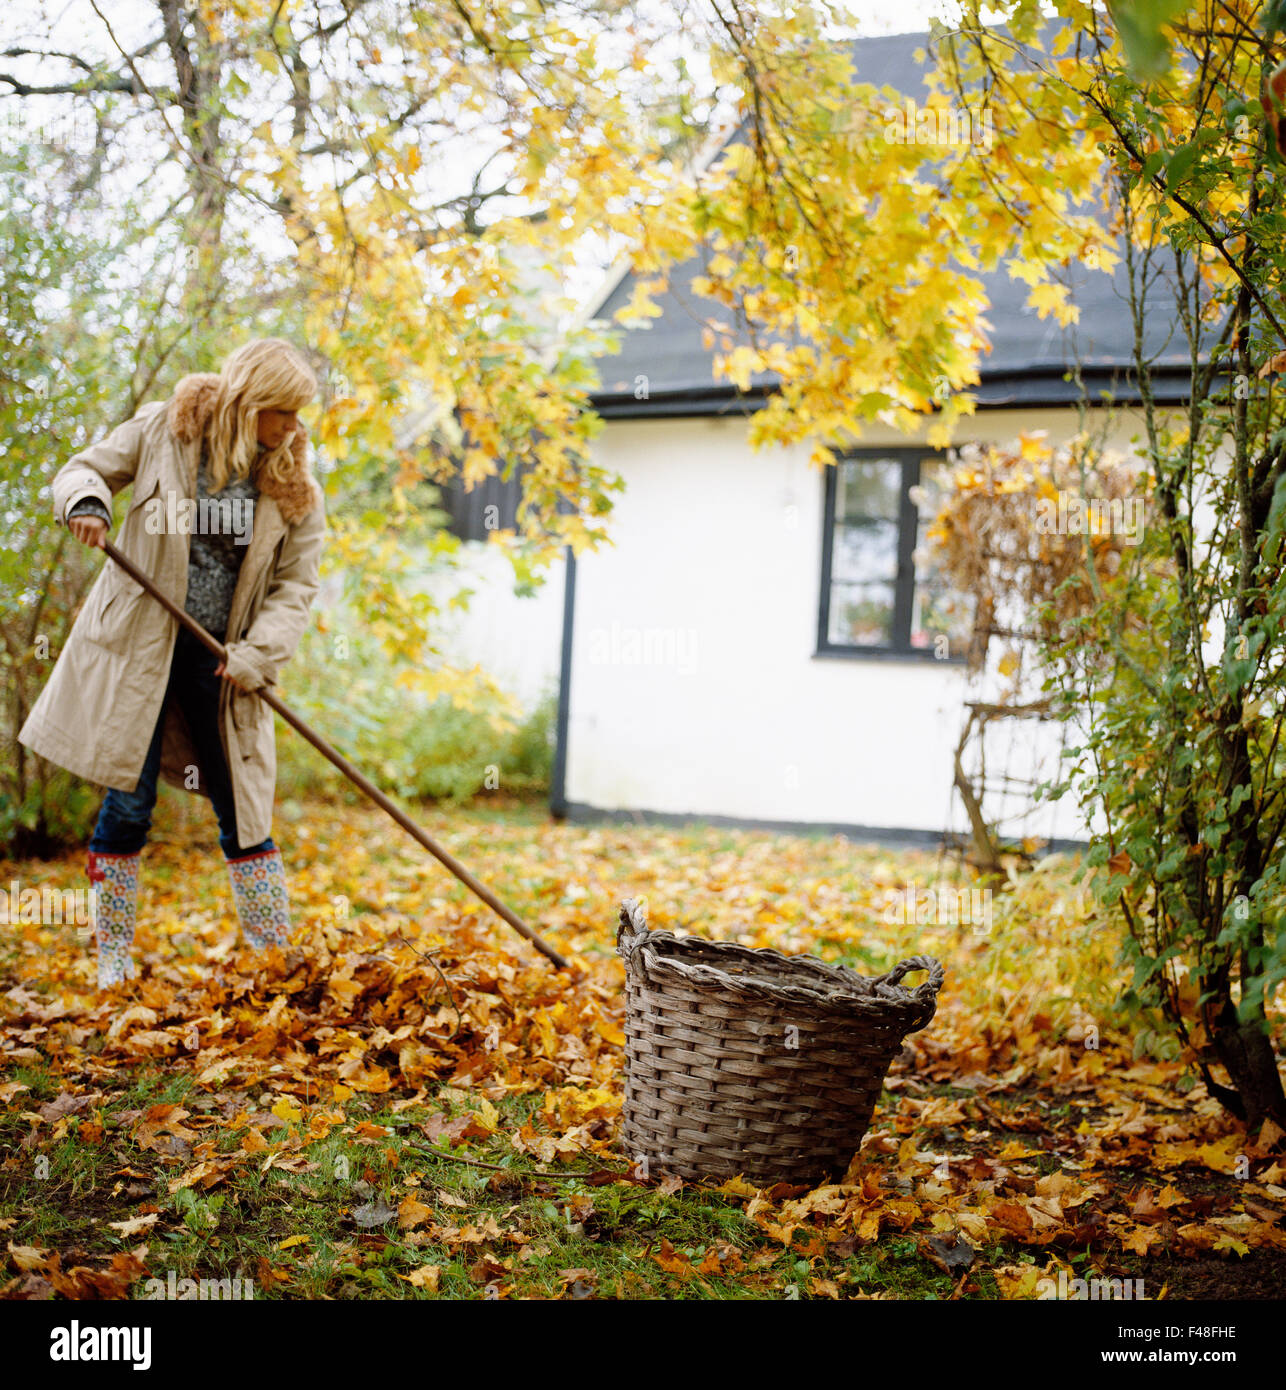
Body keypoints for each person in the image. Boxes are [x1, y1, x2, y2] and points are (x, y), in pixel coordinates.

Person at [19, 337, 327, 988]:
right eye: (283, 411)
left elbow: (296, 587)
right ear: (250, 402)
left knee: (244, 810)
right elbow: (84, 469)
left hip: (225, 662)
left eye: (299, 413)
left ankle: (274, 959)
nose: (293, 427)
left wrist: (258, 655)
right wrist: (87, 504)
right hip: (141, 649)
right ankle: (112, 958)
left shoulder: (294, 485)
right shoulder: (167, 429)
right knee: (129, 805)